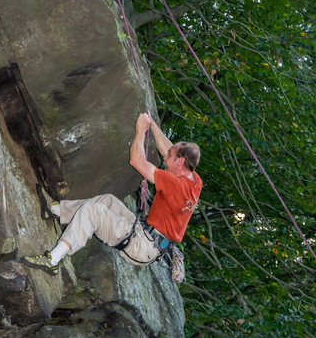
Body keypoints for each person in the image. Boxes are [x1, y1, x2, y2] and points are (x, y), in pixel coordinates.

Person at [20, 112, 202, 276]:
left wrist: (140, 131)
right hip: (146, 235)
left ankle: (52, 260)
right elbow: (169, 149)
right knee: (108, 200)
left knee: (93, 211)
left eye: (170, 157)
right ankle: (56, 210)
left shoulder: (174, 184)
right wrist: (153, 125)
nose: (165, 157)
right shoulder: (194, 181)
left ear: (180, 161)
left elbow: (137, 161)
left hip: (142, 246)